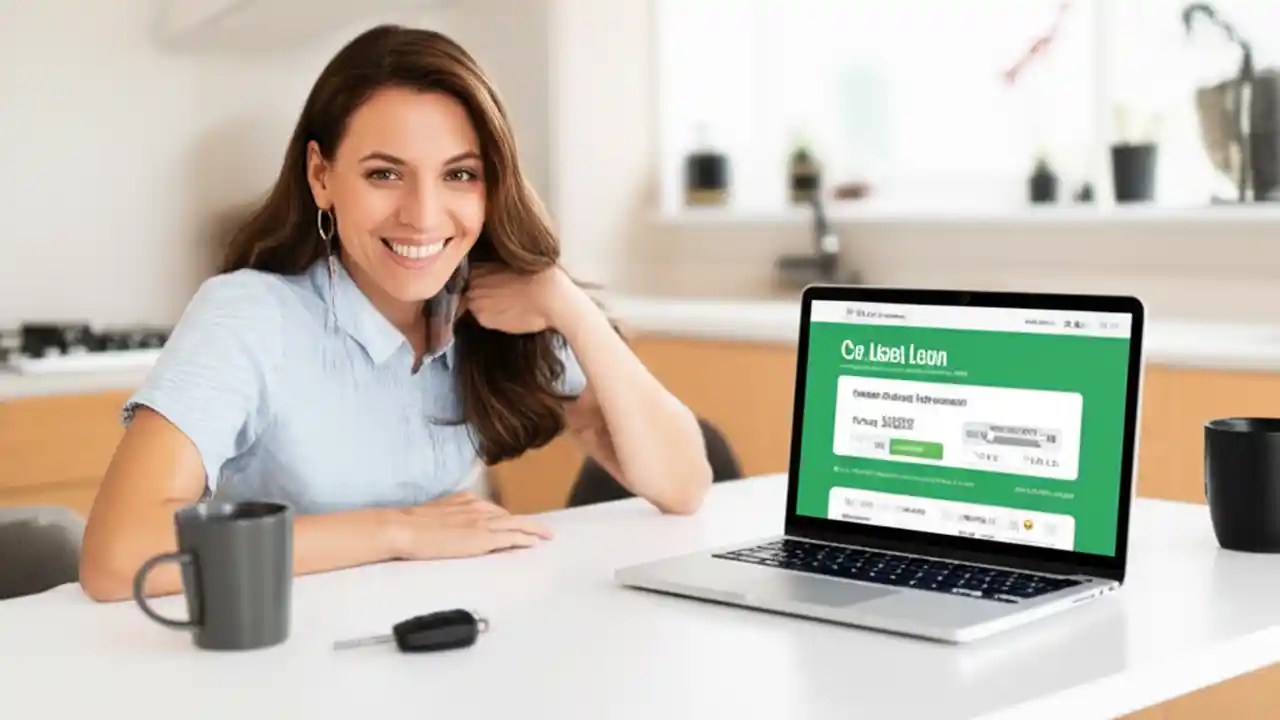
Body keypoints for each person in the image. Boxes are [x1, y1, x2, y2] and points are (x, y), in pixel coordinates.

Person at [79, 25, 712, 601]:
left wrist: (566, 305)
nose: (424, 214)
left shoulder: (494, 306)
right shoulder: (249, 315)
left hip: (435, 640)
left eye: (460, 175)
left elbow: (683, 485)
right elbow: (118, 555)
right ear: (322, 176)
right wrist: (396, 531)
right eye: (385, 174)